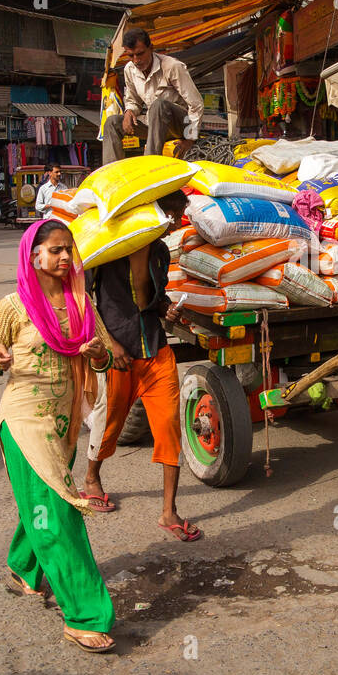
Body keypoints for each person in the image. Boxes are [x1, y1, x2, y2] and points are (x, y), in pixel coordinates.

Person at [0, 220, 117, 653]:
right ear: (32, 254)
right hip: (23, 423)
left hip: (63, 424)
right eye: (55, 250)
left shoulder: (81, 304)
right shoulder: (12, 307)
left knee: (42, 502)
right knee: (59, 514)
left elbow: (107, 357)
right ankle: (85, 615)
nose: (65, 259)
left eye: (68, 250)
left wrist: (97, 354)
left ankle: (23, 566)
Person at [82, 191, 201, 540]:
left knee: (168, 427)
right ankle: (91, 477)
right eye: (172, 213)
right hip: (119, 352)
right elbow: (87, 303)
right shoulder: (109, 250)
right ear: (152, 213)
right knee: (110, 422)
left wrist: (168, 310)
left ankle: (169, 512)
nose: (178, 222)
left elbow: (156, 298)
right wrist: (110, 343)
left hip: (156, 349)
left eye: (180, 214)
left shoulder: (162, 253)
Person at [99, 27, 204, 163]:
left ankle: (149, 164)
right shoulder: (129, 69)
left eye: (140, 54)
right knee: (112, 122)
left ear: (151, 48)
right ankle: (111, 174)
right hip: (153, 125)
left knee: (158, 105)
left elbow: (196, 104)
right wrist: (129, 111)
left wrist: (190, 139)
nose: (136, 60)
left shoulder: (172, 66)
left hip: (180, 124)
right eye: (131, 56)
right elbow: (132, 100)